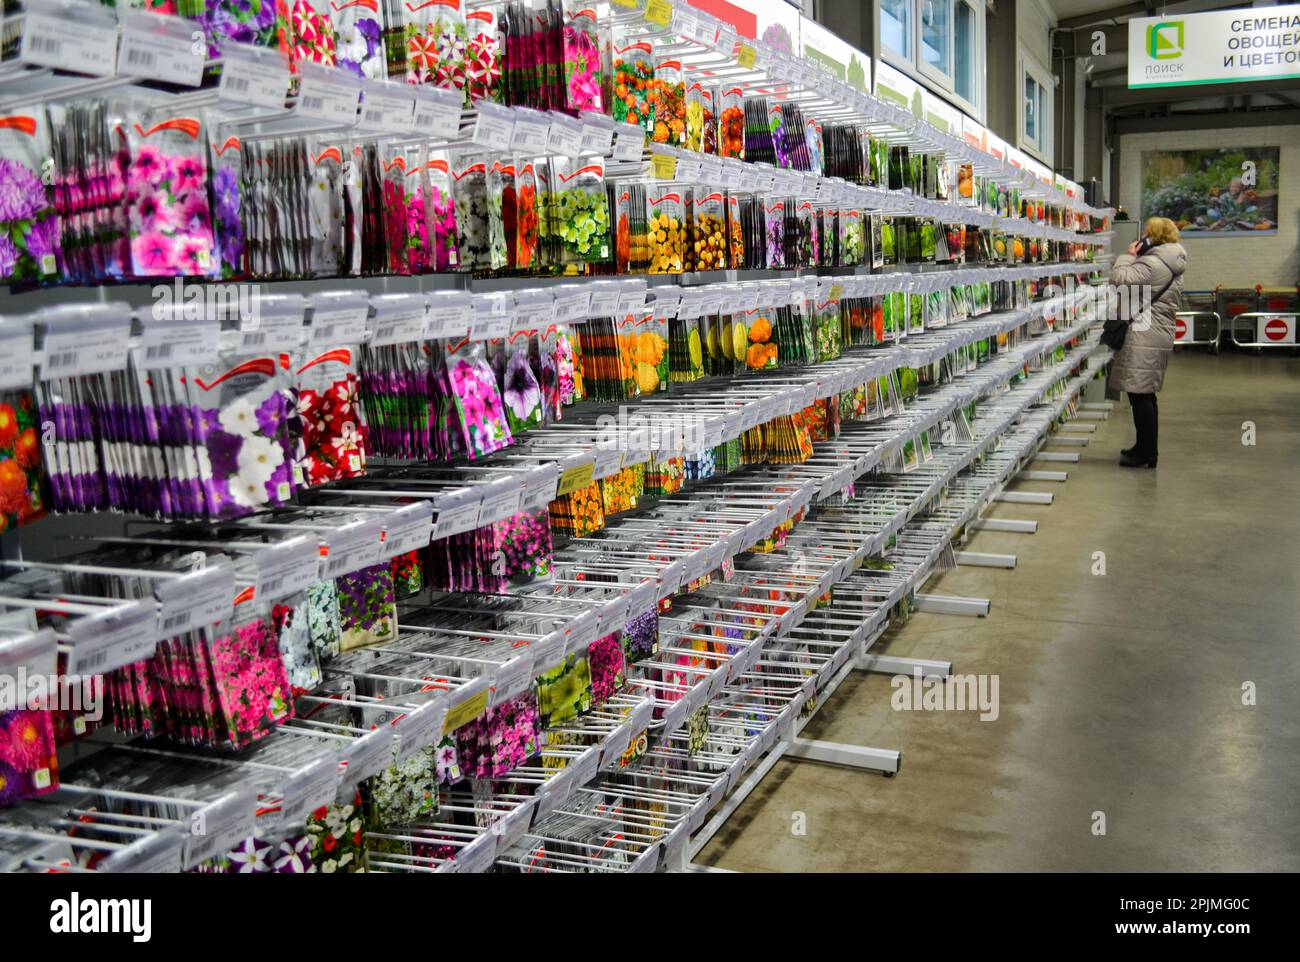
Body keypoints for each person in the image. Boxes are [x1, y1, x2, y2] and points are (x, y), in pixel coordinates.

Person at [1106, 216, 1187, 468]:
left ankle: (1146, 454)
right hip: (1155, 333)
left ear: (1153, 237)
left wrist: (1128, 254)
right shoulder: (1171, 262)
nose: (1141, 236)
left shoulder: (1152, 263)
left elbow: (1119, 278)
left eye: (1145, 233)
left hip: (1145, 334)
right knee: (1145, 394)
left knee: (1140, 396)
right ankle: (1144, 447)